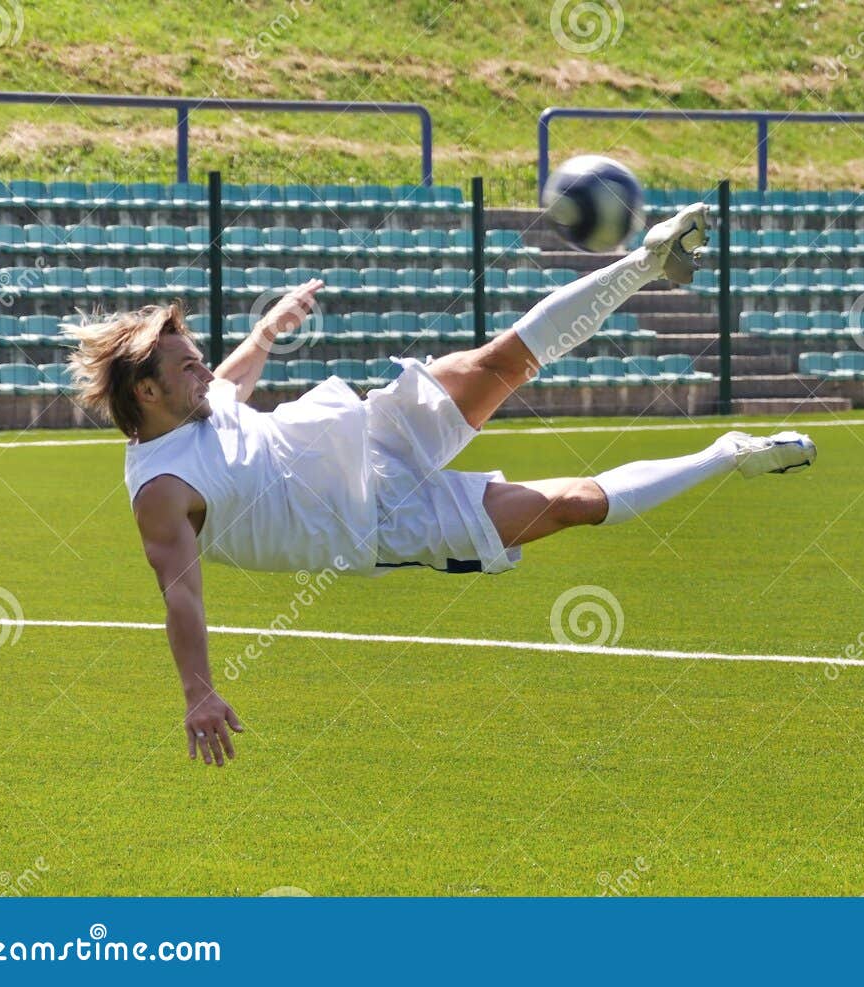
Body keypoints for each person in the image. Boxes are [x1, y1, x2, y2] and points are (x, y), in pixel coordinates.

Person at [64, 203, 815, 767]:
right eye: (186, 364)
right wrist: (198, 691)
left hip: (375, 431)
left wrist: (264, 335)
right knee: (571, 505)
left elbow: (227, 384)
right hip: (386, 522)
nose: (203, 368)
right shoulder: (159, 489)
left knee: (501, 361)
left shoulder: (192, 401)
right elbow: (181, 594)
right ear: (150, 395)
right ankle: (729, 454)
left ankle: (651, 261)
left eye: (198, 357)